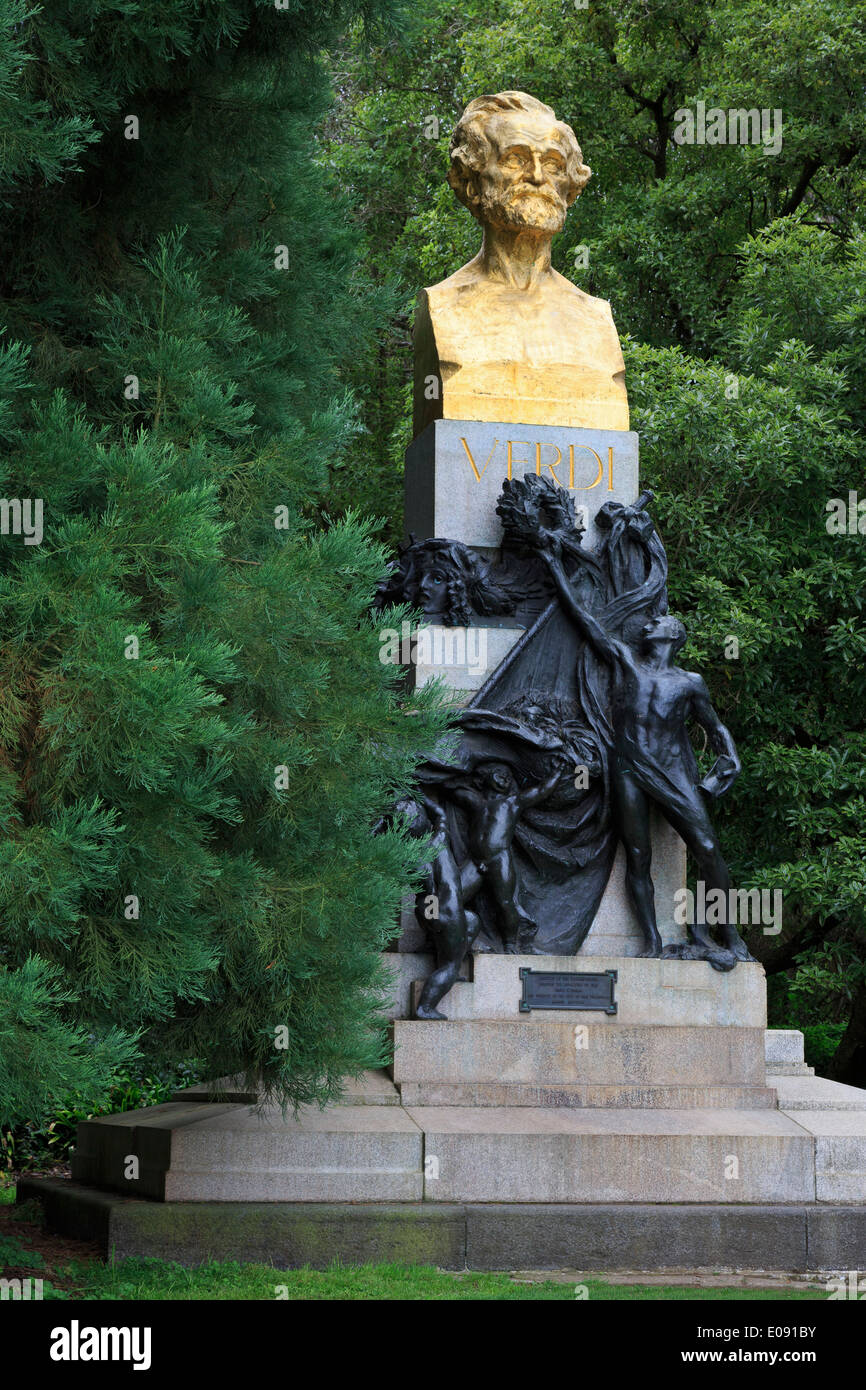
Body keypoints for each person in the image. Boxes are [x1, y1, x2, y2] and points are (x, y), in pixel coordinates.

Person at [534, 530, 752, 968]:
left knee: (707, 847)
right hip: (628, 768)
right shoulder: (625, 659)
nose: (650, 621)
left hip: (671, 771)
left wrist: (728, 760)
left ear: (674, 636)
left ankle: (731, 938)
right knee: (637, 855)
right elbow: (584, 618)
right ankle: (651, 940)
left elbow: (715, 727)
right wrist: (554, 563)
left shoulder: (690, 682)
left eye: (659, 621)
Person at [437, 755, 569, 953]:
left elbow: (542, 791)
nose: (505, 778)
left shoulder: (513, 803)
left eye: (508, 776)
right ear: (485, 778)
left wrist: (557, 772)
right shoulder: (475, 801)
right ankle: (443, 938)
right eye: (499, 773)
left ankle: (509, 944)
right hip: (475, 861)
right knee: (451, 899)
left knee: (505, 904)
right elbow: (448, 787)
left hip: (499, 859)